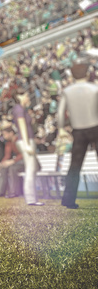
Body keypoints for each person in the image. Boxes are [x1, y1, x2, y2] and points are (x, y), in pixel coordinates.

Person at [57, 62, 98, 209]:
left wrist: (61, 129)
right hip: (95, 126)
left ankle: (68, 200)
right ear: (87, 74)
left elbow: (60, 113)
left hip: (78, 130)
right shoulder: (94, 88)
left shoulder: (67, 91)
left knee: (74, 167)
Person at [12, 92, 43, 206]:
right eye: (26, 95)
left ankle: (32, 198)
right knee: (30, 169)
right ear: (19, 96)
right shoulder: (19, 109)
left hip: (27, 140)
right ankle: (31, 199)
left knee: (32, 168)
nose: (28, 97)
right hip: (26, 141)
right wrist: (26, 144)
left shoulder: (21, 109)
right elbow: (22, 127)